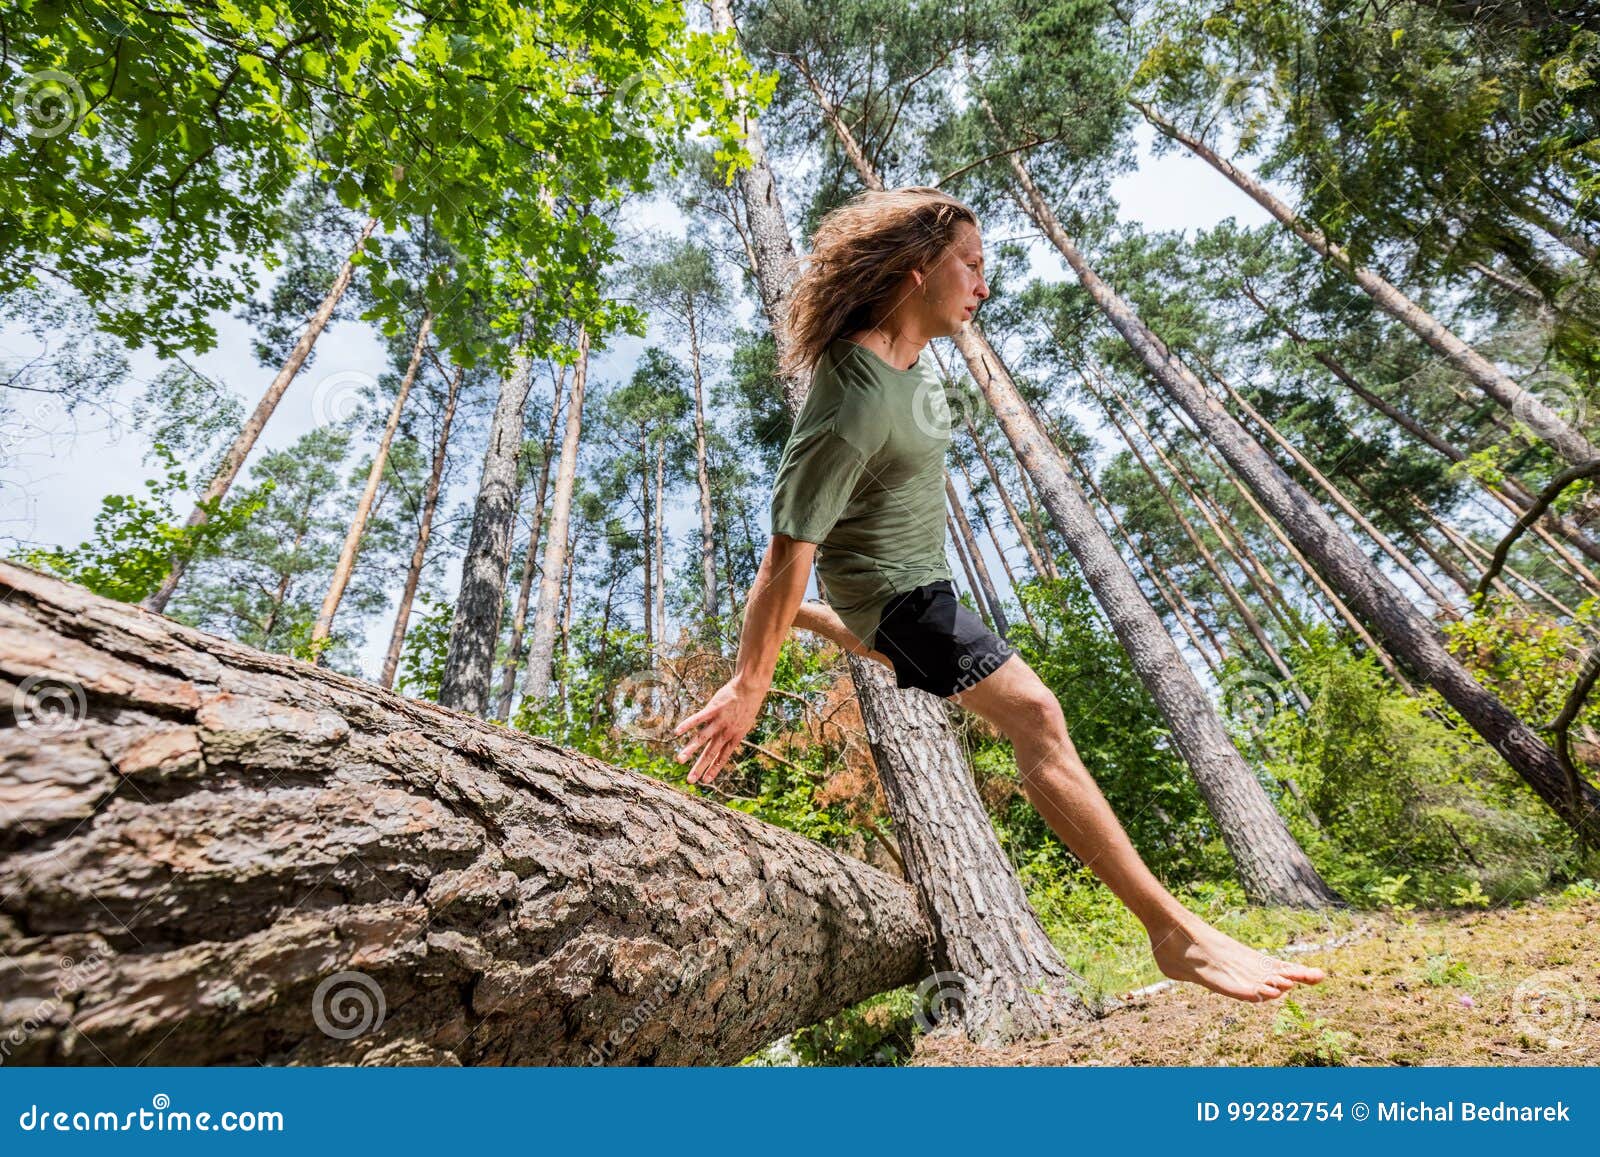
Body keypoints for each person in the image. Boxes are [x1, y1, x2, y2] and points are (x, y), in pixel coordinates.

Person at [671, 186, 1325, 1004]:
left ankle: (821, 621)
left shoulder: (908, 359)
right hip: (902, 599)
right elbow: (787, 548)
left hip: (915, 589)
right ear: (916, 273)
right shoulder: (853, 398)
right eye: (971, 266)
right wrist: (749, 684)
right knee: (1038, 715)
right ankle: (1174, 933)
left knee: (910, 655)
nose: (985, 283)